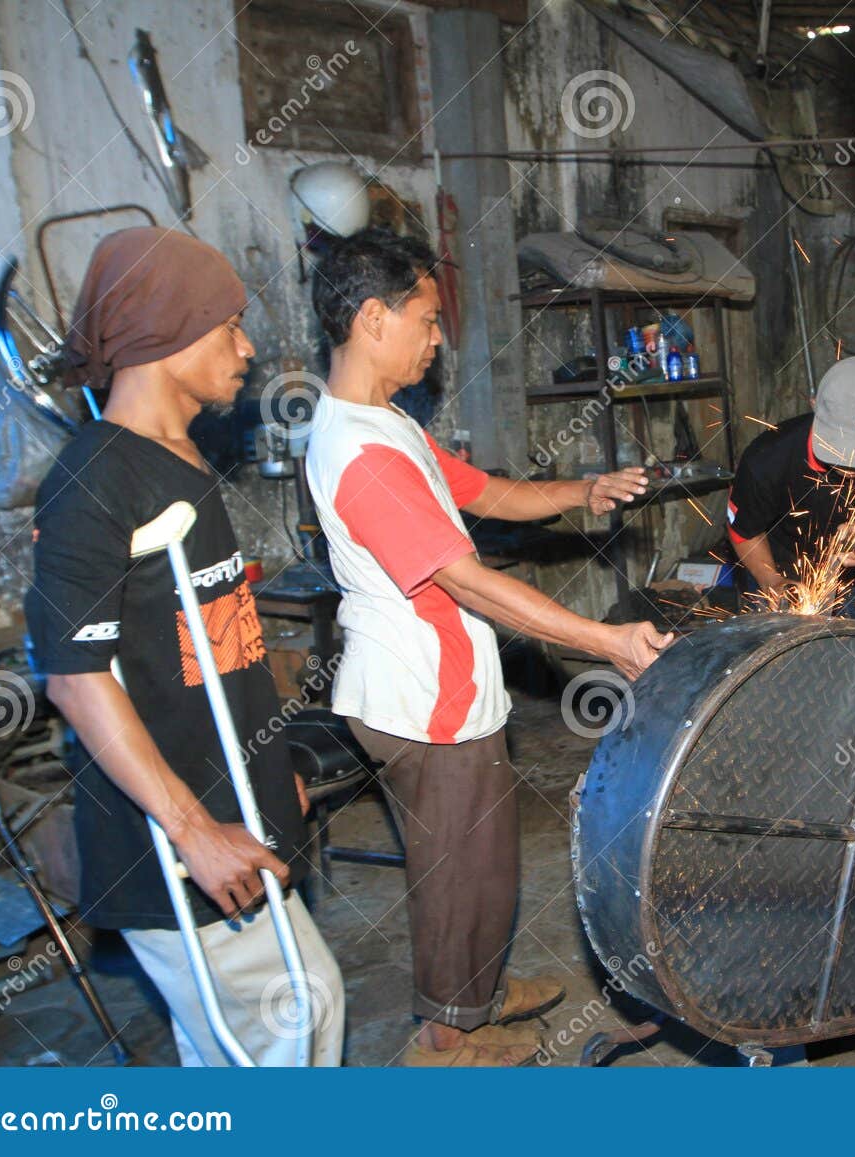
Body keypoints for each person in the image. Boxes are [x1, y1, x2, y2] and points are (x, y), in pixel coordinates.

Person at [305, 227, 672, 1067]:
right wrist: (604, 639)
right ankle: (444, 1037)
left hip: (448, 688)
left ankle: (478, 992)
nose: (438, 339)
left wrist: (582, 490)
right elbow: (465, 581)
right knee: (454, 878)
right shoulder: (360, 454)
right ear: (373, 318)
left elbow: (482, 491)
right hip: (421, 698)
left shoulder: (386, 423)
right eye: (428, 319)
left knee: (485, 863)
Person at [27, 227, 344, 1067]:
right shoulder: (95, 479)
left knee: (238, 1047)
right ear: (163, 334)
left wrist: (271, 774)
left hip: (232, 806)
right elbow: (74, 678)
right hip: (171, 839)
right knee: (296, 1016)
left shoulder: (181, 459)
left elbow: (211, 654)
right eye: (228, 326)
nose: (247, 349)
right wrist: (194, 830)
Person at [727, 356, 855, 621]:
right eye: (840, 445)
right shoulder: (768, 457)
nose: (850, 463)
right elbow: (743, 531)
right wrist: (772, 581)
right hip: (787, 566)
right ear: (814, 406)